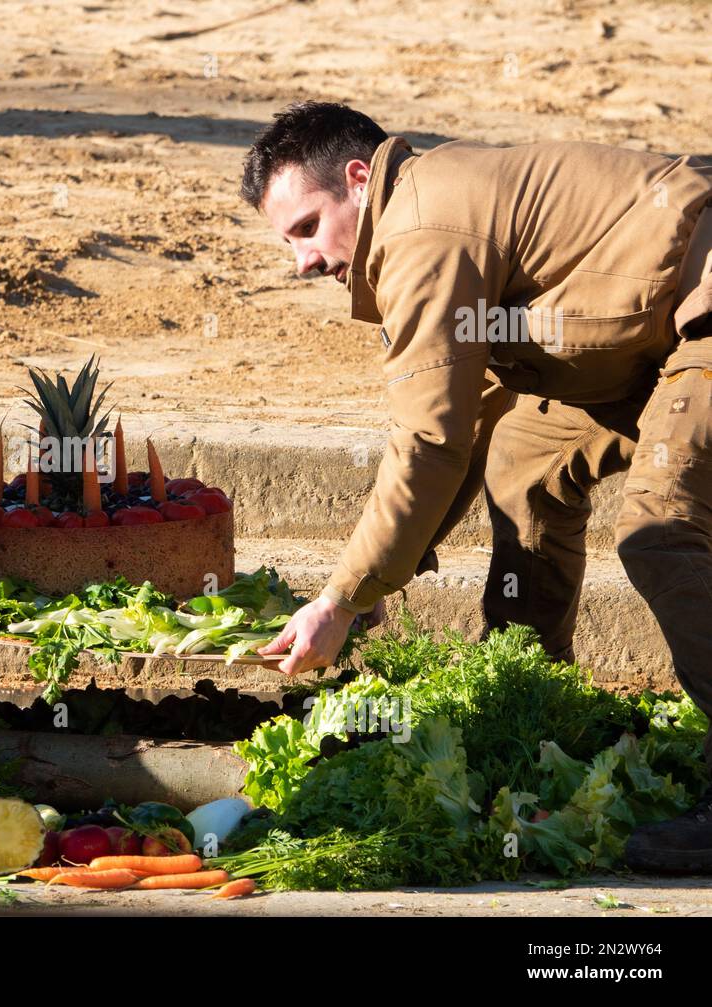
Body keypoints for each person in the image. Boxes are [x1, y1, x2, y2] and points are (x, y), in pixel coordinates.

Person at [244, 101, 712, 872]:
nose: (302, 260)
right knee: (524, 461)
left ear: (360, 180)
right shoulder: (432, 204)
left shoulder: (422, 228)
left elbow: (427, 438)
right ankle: (538, 712)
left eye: (305, 226)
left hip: (698, 312)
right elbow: (473, 422)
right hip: (651, 338)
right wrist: (372, 588)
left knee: (660, 529)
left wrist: (341, 597)